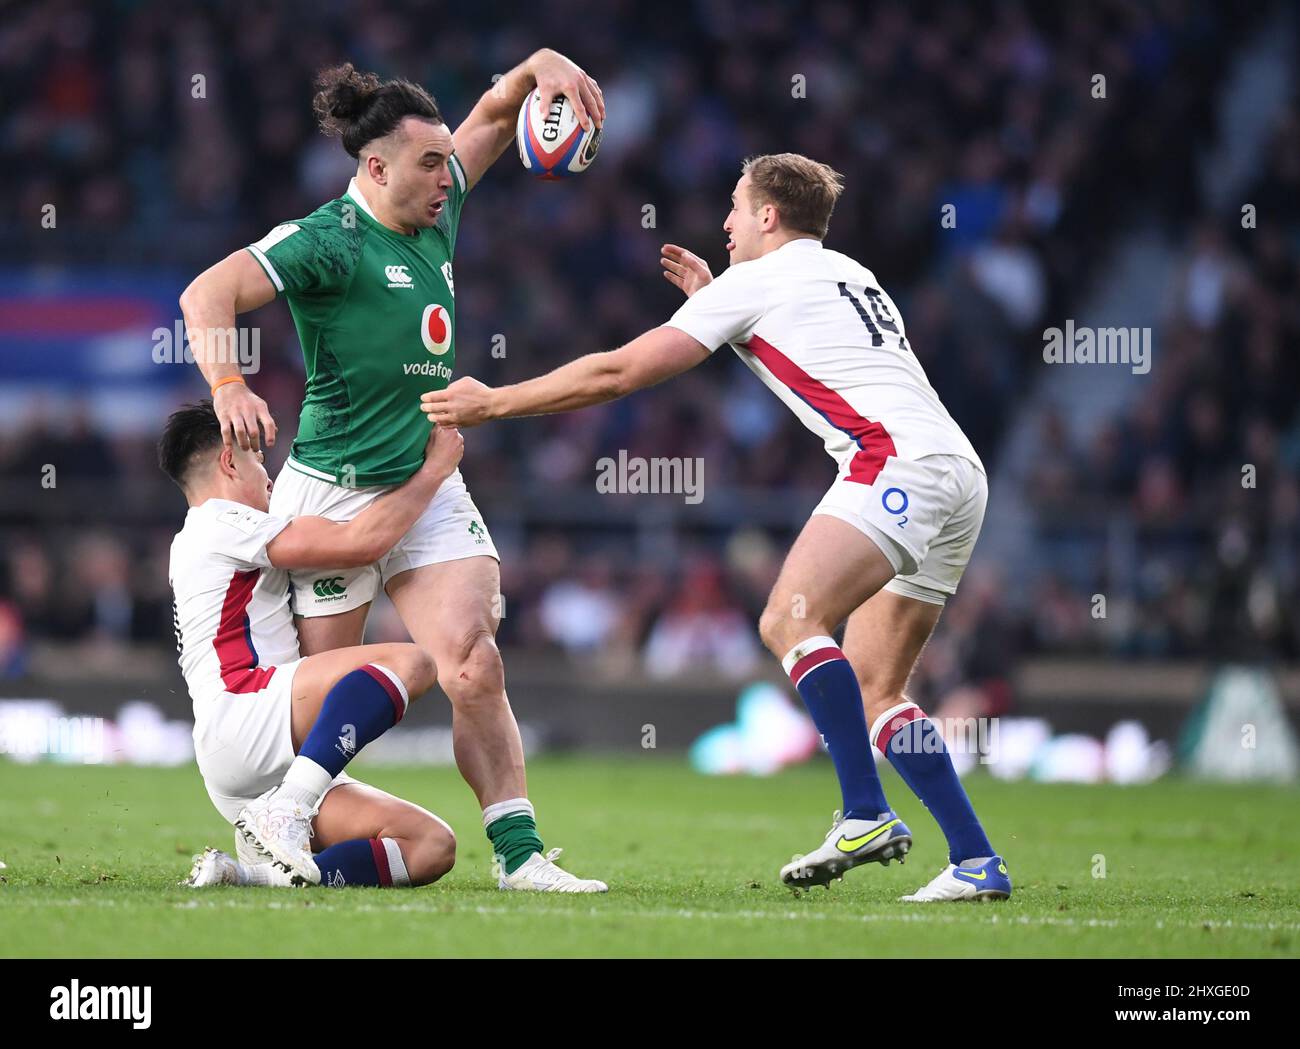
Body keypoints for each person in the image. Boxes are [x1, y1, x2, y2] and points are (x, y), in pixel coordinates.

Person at [423, 153, 1012, 902]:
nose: (726, 223)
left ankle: (864, 812)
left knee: (790, 616)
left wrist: (495, 402)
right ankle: (974, 858)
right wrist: (719, 305)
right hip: (959, 471)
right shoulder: (850, 272)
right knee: (876, 687)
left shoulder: (754, 284)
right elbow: (805, 347)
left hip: (893, 463)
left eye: (736, 206)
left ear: (769, 215)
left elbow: (617, 373)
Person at [178, 52, 608, 892]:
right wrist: (228, 384)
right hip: (333, 494)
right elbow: (206, 295)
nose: (449, 177)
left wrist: (538, 70)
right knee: (329, 725)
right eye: (428, 164)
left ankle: (520, 856)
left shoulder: (437, 208)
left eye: (448, 162)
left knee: (473, 661)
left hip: (429, 480)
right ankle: (274, 838)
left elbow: (490, 119)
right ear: (375, 168)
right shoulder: (325, 241)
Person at [163, 400, 462, 889]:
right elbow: (358, 543)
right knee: (413, 663)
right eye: (259, 461)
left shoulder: (196, 538)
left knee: (430, 846)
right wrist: (433, 471)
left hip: (249, 758)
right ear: (229, 461)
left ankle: (251, 875)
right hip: (248, 709)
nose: (270, 478)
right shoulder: (220, 521)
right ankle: (291, 807)